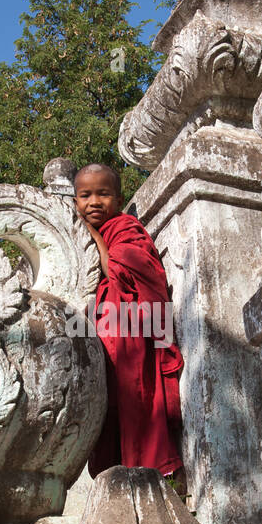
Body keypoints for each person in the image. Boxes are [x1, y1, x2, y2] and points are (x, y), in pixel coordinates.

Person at [72, 163, 186, 490]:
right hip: (96, 332)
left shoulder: (124, 229)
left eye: (103, 194)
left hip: (128, 334)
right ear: (76, 202)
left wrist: (92, 237)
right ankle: (113, 483)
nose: (94, 202)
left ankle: (157, 475)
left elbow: (119, 271)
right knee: (103, 410)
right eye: (85, 195)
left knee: (136, 400)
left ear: (119, 199)